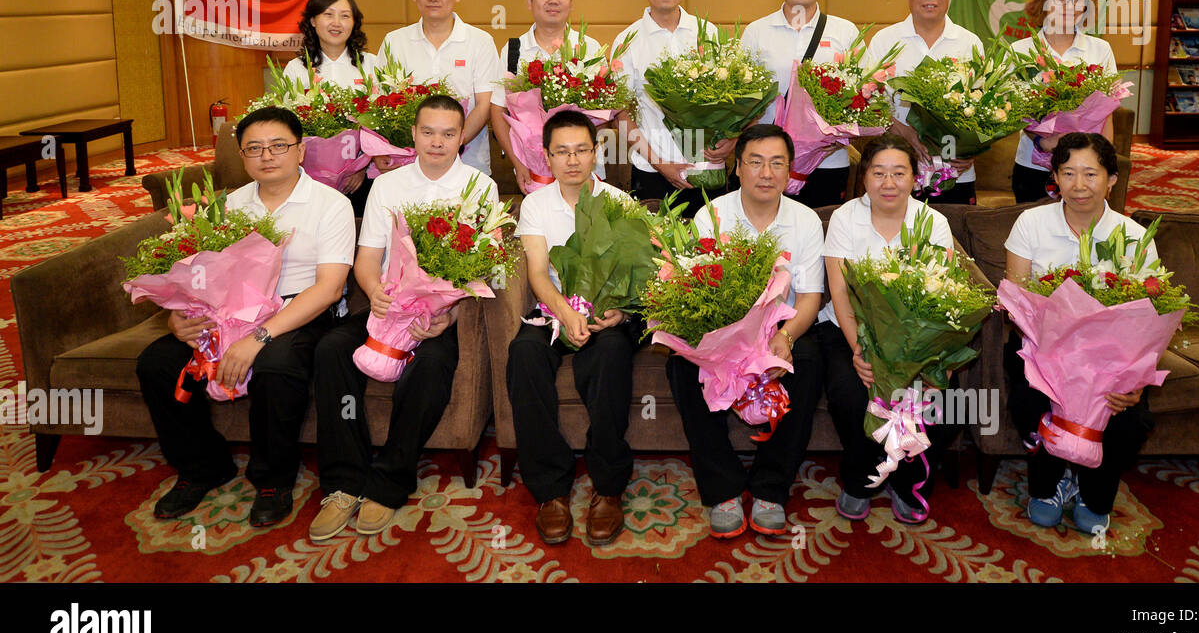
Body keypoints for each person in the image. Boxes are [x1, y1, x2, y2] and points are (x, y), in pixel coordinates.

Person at [136, 106, 354, 526]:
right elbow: (198, 275)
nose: (267, 156)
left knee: (276, 365)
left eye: (278, 146)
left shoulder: (331, 205)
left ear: (301, 150)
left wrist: (258, 338)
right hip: (228, 313)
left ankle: (273, 479)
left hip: (300, 312)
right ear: (241, 154)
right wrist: (178, 319)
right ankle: (203, 466)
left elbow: (328, 289)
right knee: (158, 363)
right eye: (254, 148)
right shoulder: (229, 205)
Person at [308, 94, 499, 541]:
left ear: (462, 138)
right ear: (413, 134)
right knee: (332, 348)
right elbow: (368, 256)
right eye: (428, 132)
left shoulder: (480, 188)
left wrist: (448, 317)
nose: (437, 142)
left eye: (448, 134)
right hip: (387, 306)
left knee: (431, 365)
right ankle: (343, 482)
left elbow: (486, 270)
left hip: (439, 316)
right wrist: (374, 292)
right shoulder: (388, 186)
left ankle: (390, 480)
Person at [665, 124, 825, 538]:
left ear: (790, 171)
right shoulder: (711, 215)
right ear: (737, 169)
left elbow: (810, 298)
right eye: (755, 162)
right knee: (682, 364)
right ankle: (722, 489)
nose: (766, 173)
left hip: (781, 329)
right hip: (722, 330)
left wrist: (784, 339)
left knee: (808, 361)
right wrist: (730, 345)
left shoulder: (805, 221)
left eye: (777, 164)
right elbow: (697, 289)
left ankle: (771, 489)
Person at [1003, 132, 1154, 534]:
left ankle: (1093, 491)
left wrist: (1134, 380)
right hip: (1041, 350)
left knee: (1128, 418)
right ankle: (1048, 486)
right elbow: (1017, 300)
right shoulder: (1031, 223)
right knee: (1030, 402)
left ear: (1112, 180)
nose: (1079, 185)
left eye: (1091, 174)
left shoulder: (1134, 238)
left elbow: (1147, 316)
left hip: (1111, 359)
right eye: (1068, 173)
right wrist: (1052, 359)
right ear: (1054, 177)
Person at [506, 111, 640, 546]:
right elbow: (539, 273)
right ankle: (551, 488)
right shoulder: (535, 204)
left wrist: (618, 313)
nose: (573, 160)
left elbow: (639, 274)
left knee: (610, 352)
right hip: (553, 311)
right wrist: (565, 313)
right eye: (562, 151)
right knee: (523, 354)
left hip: (607, 315)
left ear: (597, 151)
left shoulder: (621, 201)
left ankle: (608, 486)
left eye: (582, 149)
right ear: (546, 156)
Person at [820, 135, 956, 525]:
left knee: (943, 401)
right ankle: (860, 483)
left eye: (899, 173)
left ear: (915, 177)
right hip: (851, 331)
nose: (888, 182)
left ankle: (906, 482)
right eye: (878, 173)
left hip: (917, 336)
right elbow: (840, 292)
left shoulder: (933, 222)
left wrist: (934, 358)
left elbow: (943, 294)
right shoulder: (846, 217)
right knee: (851, 394)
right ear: (864, 177)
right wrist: (859, 352)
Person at [741, 0, 861, 208]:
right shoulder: (757, 32)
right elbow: (742, 100)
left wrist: (839, 136)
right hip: (767, 162)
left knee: (822, 232)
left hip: (827, 160)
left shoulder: (845, 32)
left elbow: (862, 97)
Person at [612, 0, 721, 217]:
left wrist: (727, 142)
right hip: (652, 171)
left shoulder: (708, 33)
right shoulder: (627, 40)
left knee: (711, 250)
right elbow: (621, 114)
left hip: (705, 169)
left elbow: (726, 101)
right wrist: (661, 164)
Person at [867, 0, 984, 205]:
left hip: (955, 170)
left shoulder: (969, 42)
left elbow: (983, 107)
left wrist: (971, 151)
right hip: (898, 170)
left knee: (955, 239)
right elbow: (869, 98)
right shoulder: (885, 40)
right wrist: (900, 129)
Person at [377, 0, 498, 176]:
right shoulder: (394, 42)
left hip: (468, 165)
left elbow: (484, 105)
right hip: (407, 167)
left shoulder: (480, 41)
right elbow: (381, 103)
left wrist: (452, 145)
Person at [489, 0, 605, 192]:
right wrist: (518, 163)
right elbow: (497, 111)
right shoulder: (515, 50)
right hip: (533, 172)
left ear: (571, 2)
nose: (553, 0)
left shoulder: (589, 48)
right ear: (529, 1)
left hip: (584, 170)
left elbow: (606, 110)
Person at [1010, 0, 1119, 204]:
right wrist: (1044, 141)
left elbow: (1107, 114)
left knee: (1084, 235)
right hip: (1033, 166)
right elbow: (1015, 110)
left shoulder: (1100, 50)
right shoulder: (1019, 51)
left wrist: (1107, 165)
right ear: (1043, 3)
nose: (1069, 6)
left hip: (1088, 169)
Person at [285, 0, 381, 209]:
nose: (336, 23)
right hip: (312, 176)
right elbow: (291, 125)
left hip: (360, 179)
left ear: (354, 23)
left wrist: (360, 167)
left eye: (345, 16)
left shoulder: (371, 65)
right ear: (312, 20)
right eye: (328, 14)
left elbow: (379, 125)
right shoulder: (297, 69)